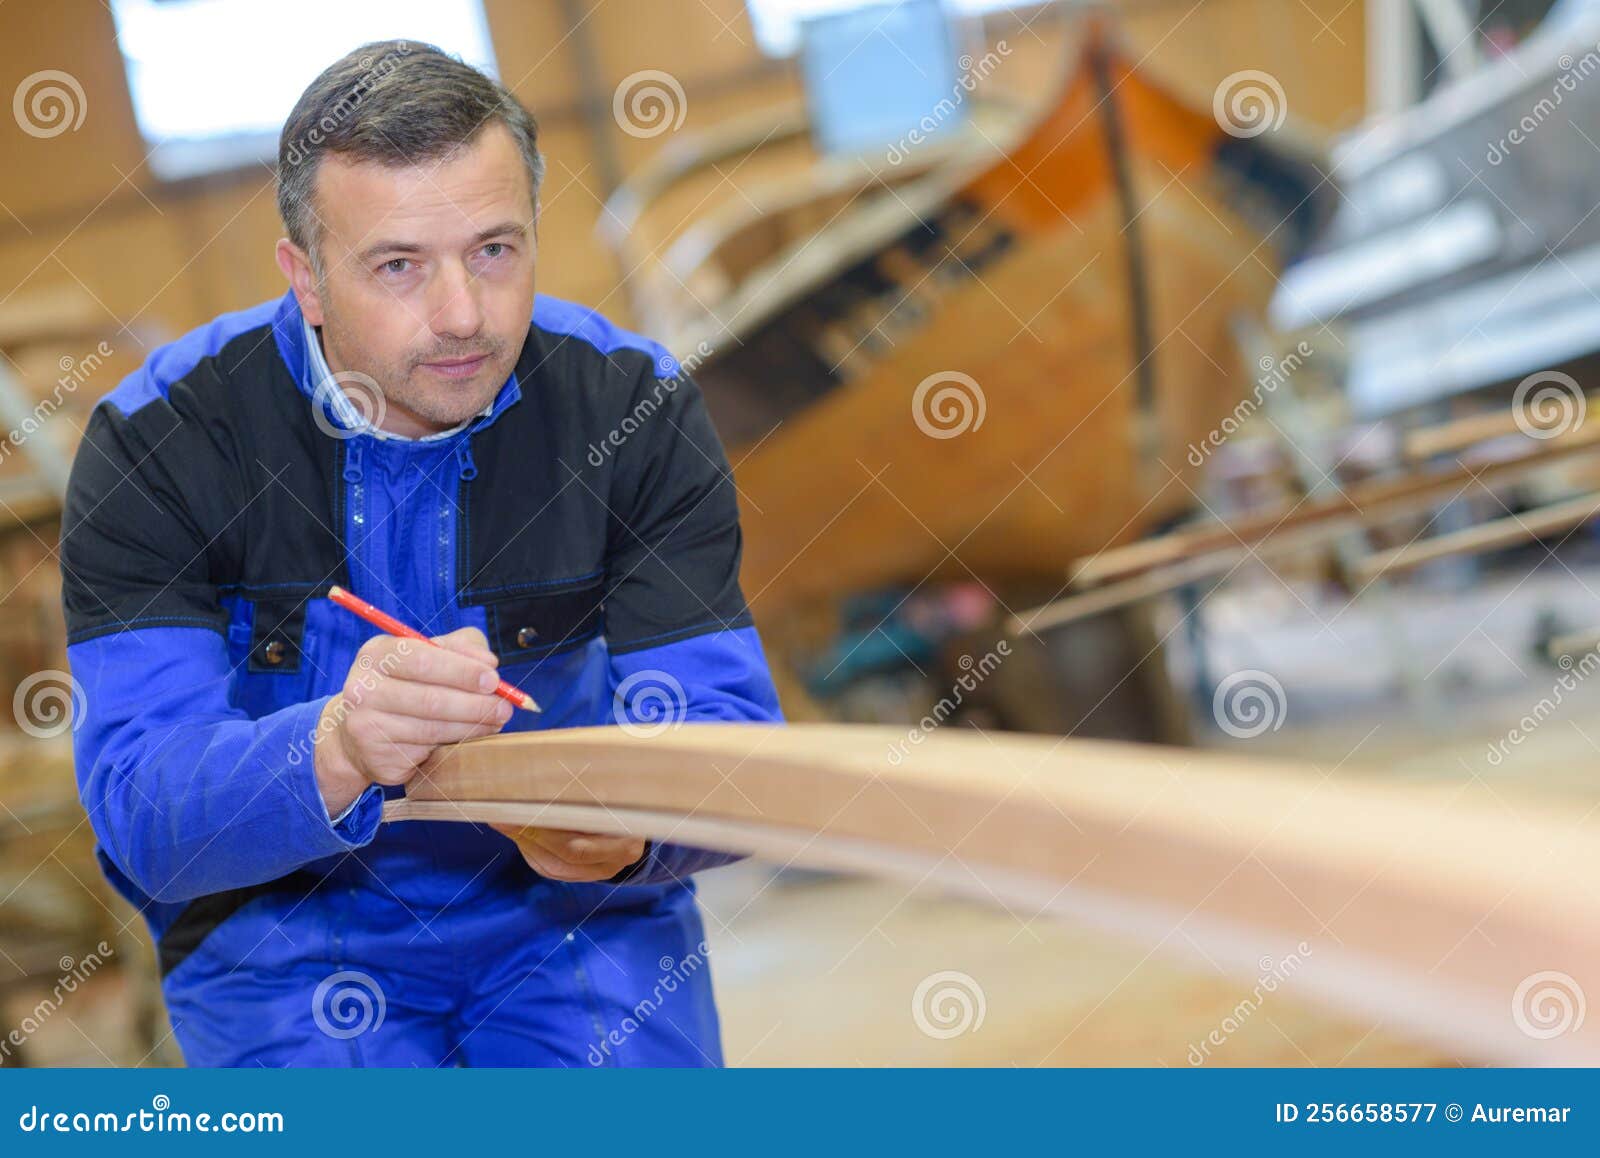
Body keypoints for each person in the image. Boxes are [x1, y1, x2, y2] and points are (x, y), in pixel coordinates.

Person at [59, 40, 782, 1067]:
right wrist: (337, 747)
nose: (462, 316)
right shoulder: (162, 439)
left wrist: (636, 829)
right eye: (398, 265)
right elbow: (144, 812)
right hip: (282, 934)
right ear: (306, 280)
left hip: (577, 913)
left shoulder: (630, 407)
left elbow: (732, 745)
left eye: (494, 250)